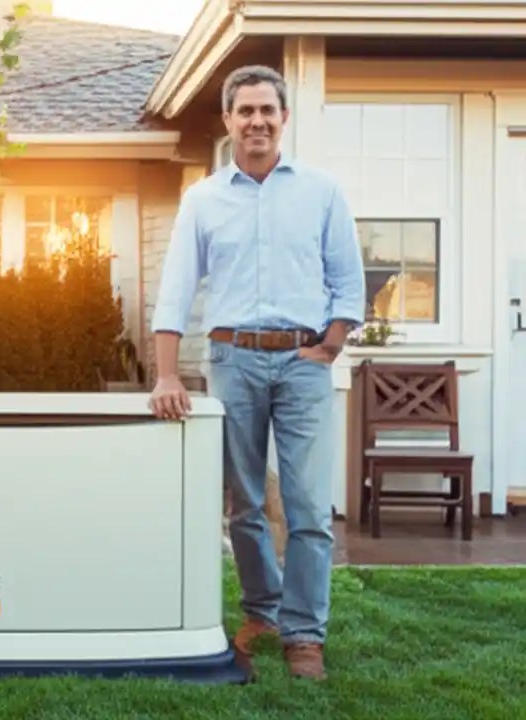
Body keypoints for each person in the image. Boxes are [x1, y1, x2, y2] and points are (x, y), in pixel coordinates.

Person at [147, 64, 366, 681]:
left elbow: (348, 282)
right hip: (232, 360)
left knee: (306, 507)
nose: (257, 121)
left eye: (268, 110)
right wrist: (167, 376)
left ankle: (304, 634)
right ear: (228, 120)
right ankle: (262, 613)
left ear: (284, 118)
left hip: (302, 364)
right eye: (245, 111)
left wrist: (332, 341)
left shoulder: (321, 192)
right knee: (243, 502)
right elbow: (175, 290)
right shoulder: (203, 199)